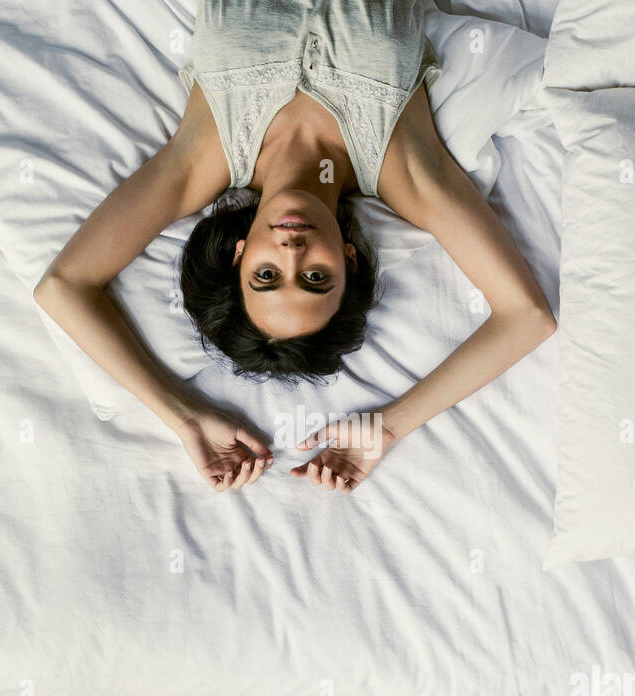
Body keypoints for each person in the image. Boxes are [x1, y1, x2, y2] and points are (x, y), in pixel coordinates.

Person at [34, 0, 557, 493]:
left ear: (238, 254)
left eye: (266, 275)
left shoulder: (199, 163)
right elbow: (527, 316)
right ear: (349, 262)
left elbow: (64, 286)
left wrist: (184, 416)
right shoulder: (409, 174)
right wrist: (390, 427)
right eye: (315, 278)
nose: (292, 251)